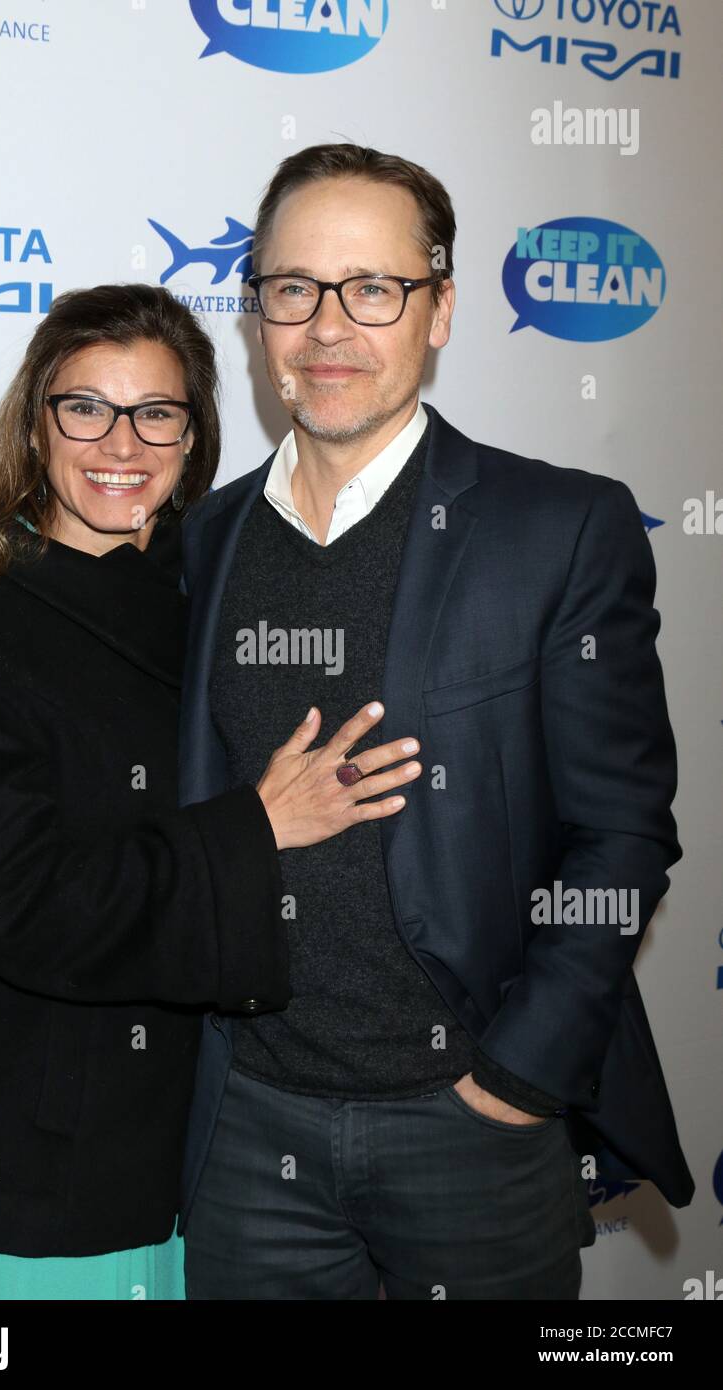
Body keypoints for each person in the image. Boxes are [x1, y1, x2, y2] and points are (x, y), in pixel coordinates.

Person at [177, 144, 694, 1300]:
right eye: (292, 289)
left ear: (441, 306)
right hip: (246, 1129)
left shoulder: (556, 526)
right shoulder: (197, 543)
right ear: (254, 310)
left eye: (373, 288)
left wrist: (517, 1076)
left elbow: (621, 834)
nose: (327, 327)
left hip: (470, 1129)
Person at [0, 282, 423, 1299]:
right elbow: (28, 904)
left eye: (155, 412)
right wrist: (256, 825)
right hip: (9, 1154)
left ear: (191, 437)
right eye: (84, 407)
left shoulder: (212, 601)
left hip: (202, 1149)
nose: (119, 443)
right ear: (35, 425)